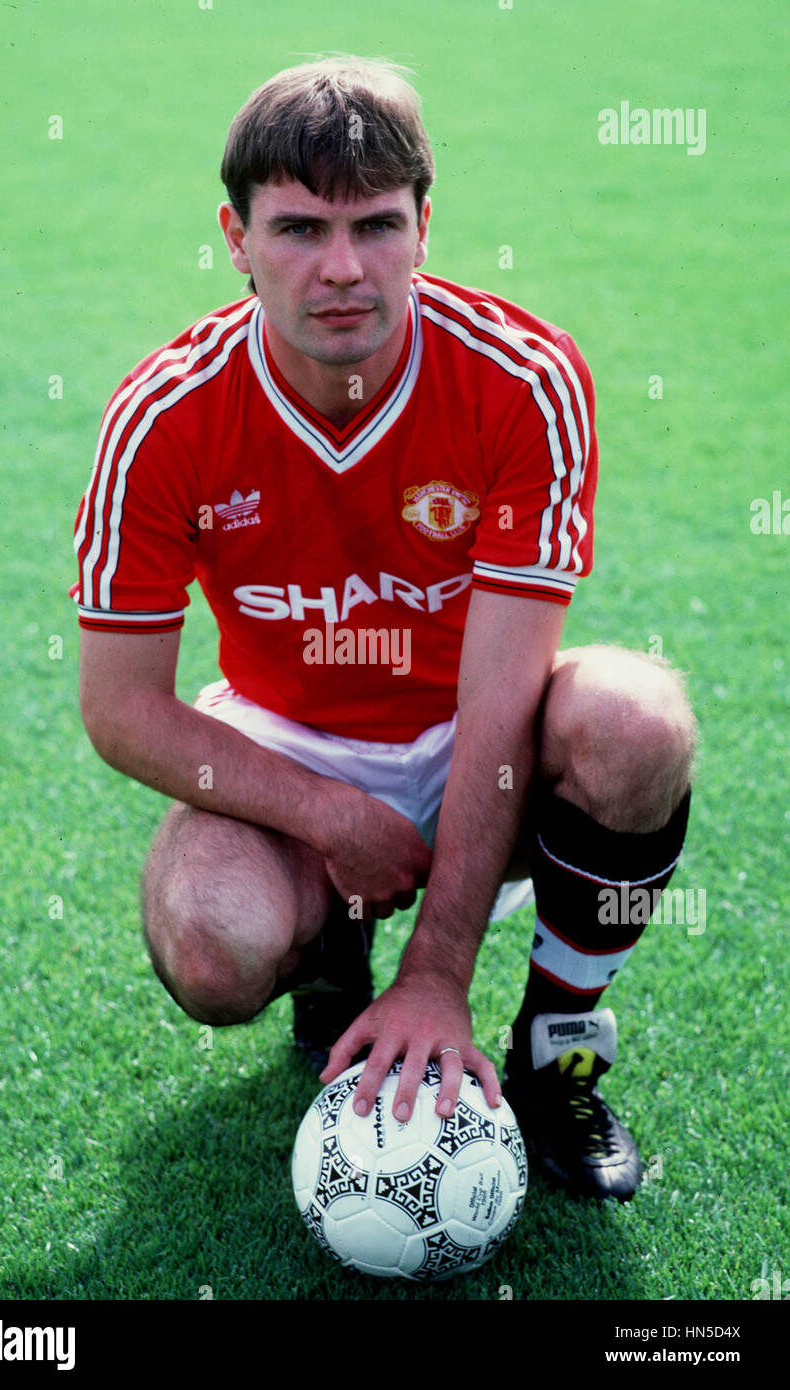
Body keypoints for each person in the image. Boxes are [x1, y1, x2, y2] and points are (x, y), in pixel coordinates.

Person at [71, 57, 696, 1202]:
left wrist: (440, 967)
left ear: (423, 228)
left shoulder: (520, 378)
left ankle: (554, 1053)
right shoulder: (163, 415)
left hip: (474, 728)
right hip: (287, 736)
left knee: (636, 720)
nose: (343, 269)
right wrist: (324, 814)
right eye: (300, 228)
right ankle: (329, 965)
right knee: (211, 945)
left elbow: (504, 703)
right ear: (235, 235)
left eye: (375, 224)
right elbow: (120, 711)